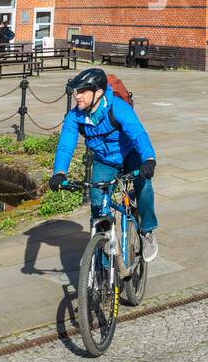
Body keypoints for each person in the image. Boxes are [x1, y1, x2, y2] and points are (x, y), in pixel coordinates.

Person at [51, 67, 158, 261]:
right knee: (98, 201)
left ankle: (148, 232)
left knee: (144, 185)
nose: (77, 96)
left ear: (98, 93)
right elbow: (65, 146)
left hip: (129, 154)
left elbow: (138, 134)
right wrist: (59, 172)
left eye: (83, 91)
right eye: (77, 91)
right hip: (104, 160)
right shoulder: (75, 117)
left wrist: (149, 159)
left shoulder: (118, 108)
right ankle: (102, 258)